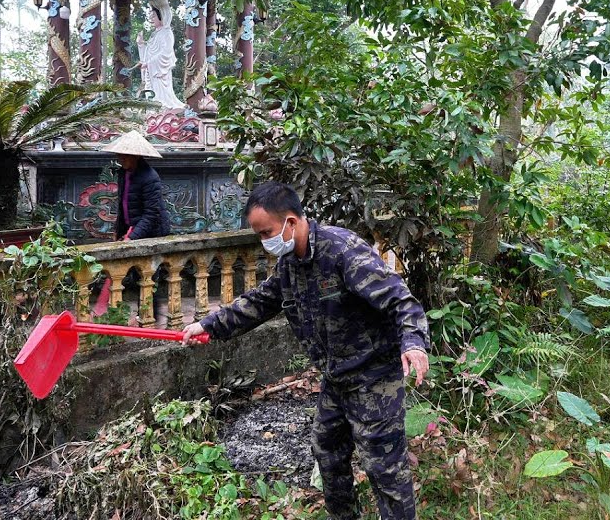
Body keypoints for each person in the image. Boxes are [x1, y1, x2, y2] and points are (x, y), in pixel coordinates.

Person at [182, 182, 429, 520]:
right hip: (337, 378)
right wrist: (208, 325)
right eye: (259, 235)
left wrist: (414, 343)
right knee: (327, 450)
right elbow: (261, 301)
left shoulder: (342, 251)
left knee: (384, 468)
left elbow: (400, 299)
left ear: (292, 222)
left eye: (267, 232)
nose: (265, 242)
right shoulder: (290, 264)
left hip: (374, 378)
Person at [102, 130, 171, 243]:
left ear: (136, 156)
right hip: (132, 229)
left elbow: (151, 213)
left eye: (126, 156)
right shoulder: (123, 173)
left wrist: (132, 237)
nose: (121, 159)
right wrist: (119, 231)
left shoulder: (150, 177)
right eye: (119, 155)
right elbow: (123, 205)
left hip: (151, 233)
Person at [134, 0, 185, 108]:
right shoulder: (154, 35)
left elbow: (166, 53)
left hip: (160, 72)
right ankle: (153, 110)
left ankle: (162, 108)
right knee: (150, 95)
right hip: (151, 72)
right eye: (150, 16)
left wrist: (150, 62)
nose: (151, 19)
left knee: (161, 98)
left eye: (153, 16)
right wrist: (141, 44)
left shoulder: (167, 33)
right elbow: (147, 55)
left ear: (161, 15)